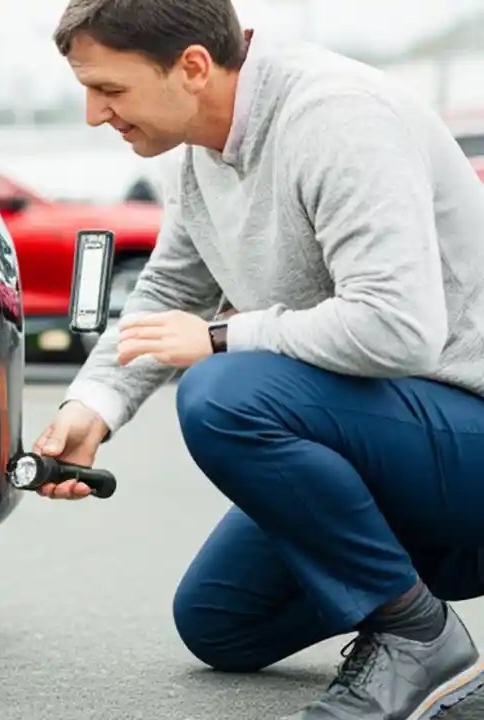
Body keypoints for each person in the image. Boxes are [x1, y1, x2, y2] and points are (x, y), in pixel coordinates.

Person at [34, 1, 484, 718]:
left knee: (223, 393)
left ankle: (417, 638)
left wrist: (219, 338)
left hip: (466, 424)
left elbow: (401, 327)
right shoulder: (202, 149)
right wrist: (93, 405)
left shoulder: (339, 120)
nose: (94, 114)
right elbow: (170, 286)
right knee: (220, 621)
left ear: (193, 66)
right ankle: (426, 569)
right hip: (391, 434)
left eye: (110, 90)